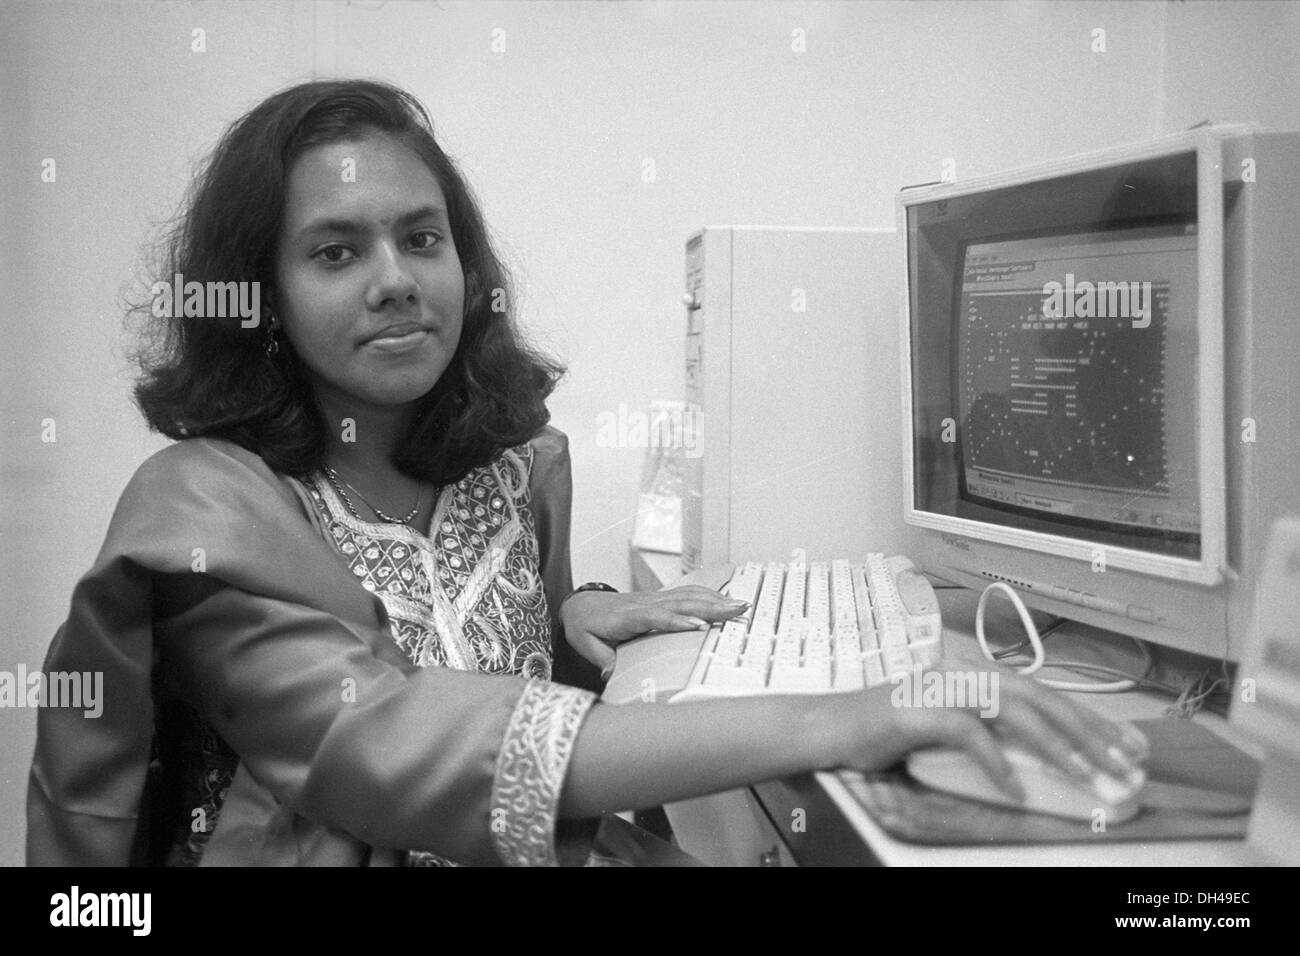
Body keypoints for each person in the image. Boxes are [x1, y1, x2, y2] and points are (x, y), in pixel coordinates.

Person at [26, 79, 1145, 867]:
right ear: (258, 296)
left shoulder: (510, 470)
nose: (395, 279)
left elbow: (483, 644)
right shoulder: (205, 508)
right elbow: (374, 731)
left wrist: (583, 610)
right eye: (336, 251)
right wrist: (846, 715)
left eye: (423, 239)